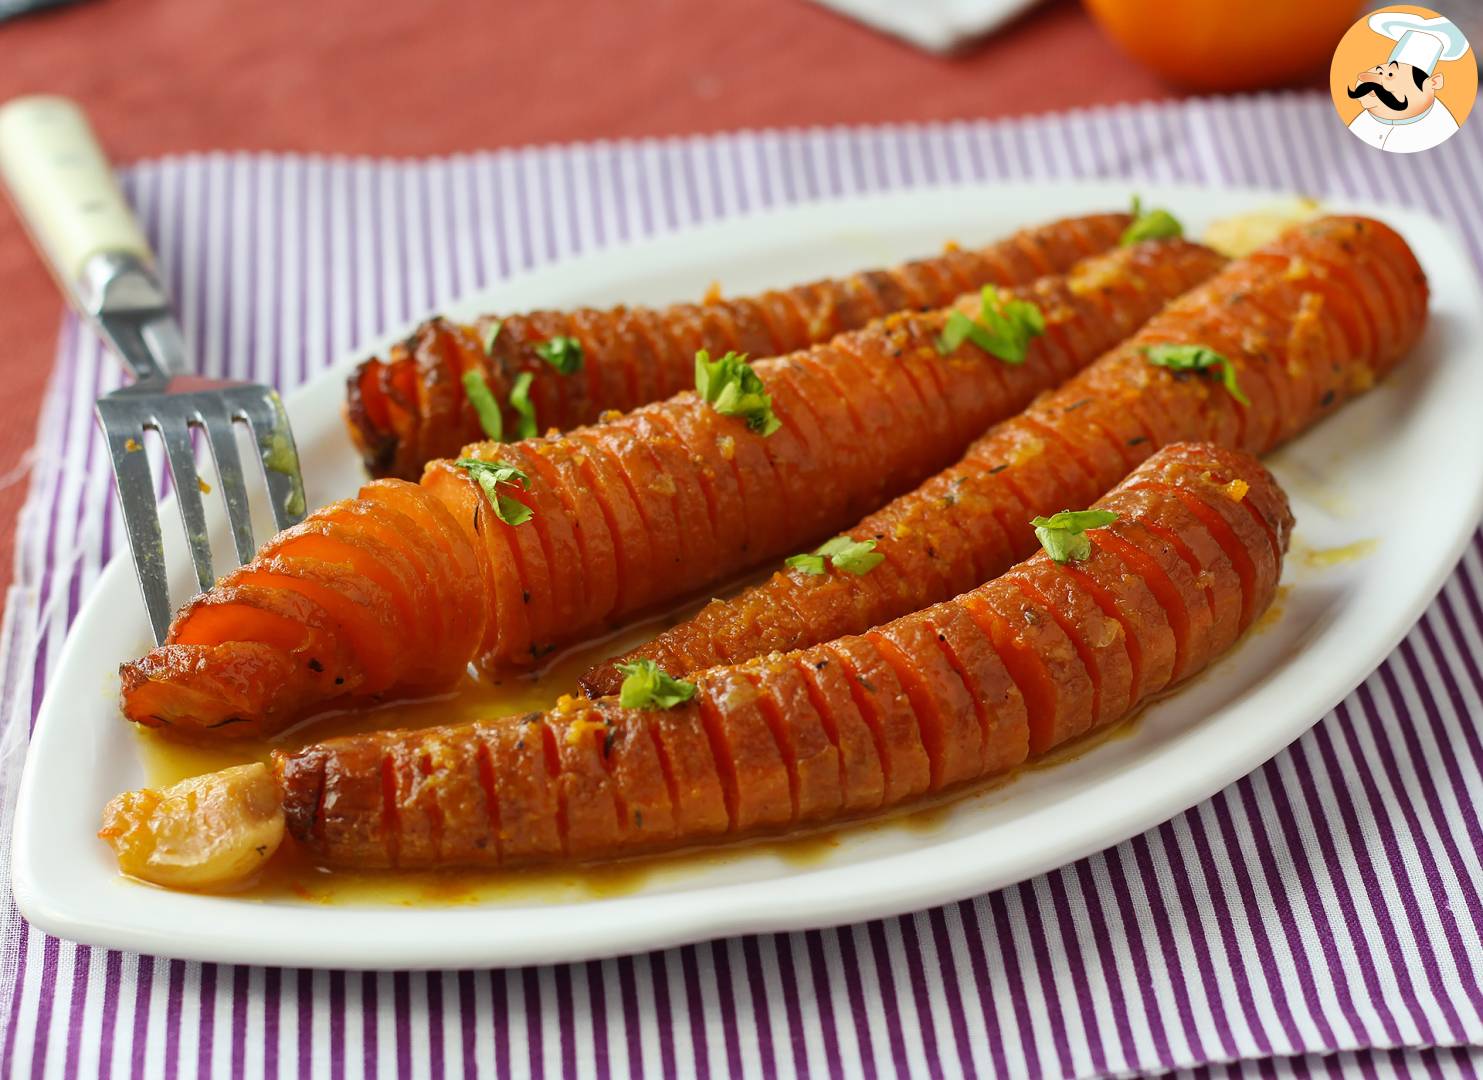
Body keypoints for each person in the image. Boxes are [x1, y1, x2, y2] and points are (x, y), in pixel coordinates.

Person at [1347, 11, 1470, 153]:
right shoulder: (1361, 118)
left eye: (1391, 75)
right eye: (1379, 71)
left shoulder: (1442, 129)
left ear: (1433, 83)